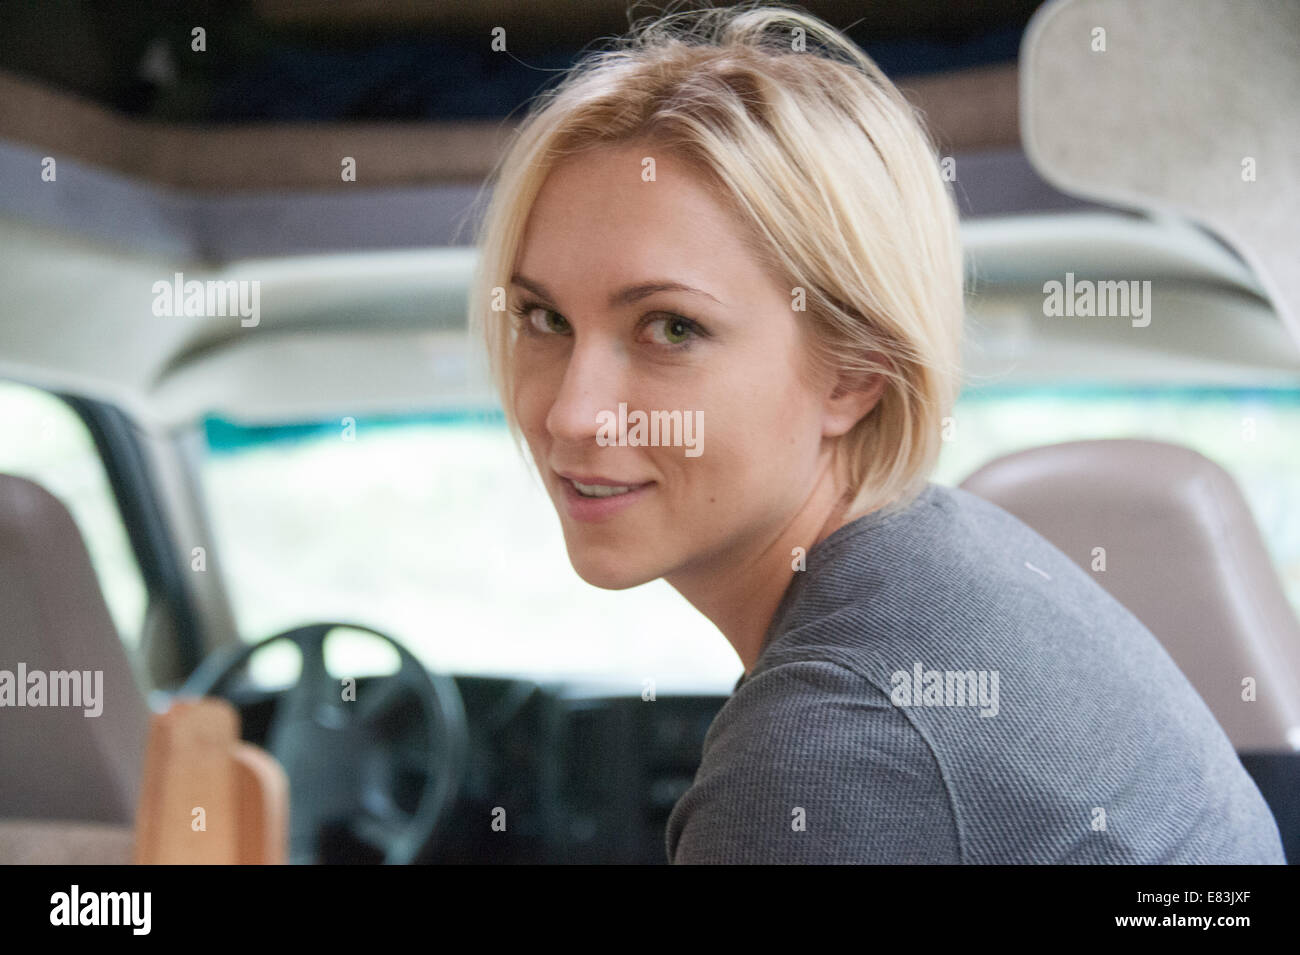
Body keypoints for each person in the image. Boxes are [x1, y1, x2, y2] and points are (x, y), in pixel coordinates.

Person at [469, 2, 1286, 863]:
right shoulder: (947, 565)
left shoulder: (832, 747)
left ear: (856, 374)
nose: (572, 412)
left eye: (671, 328)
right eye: (542, 316)